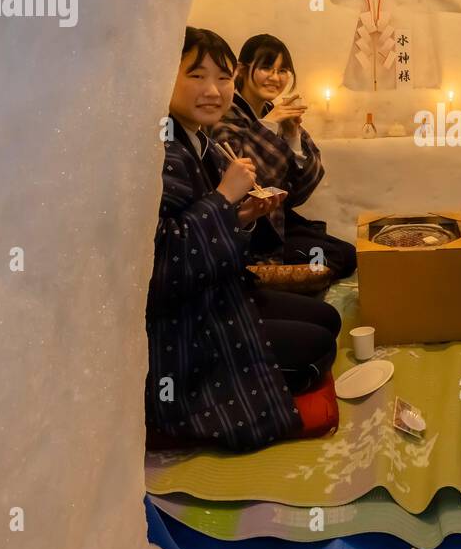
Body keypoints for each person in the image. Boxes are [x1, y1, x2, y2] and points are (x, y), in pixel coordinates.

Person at [144, 27, 341, 451]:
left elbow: (302, 187)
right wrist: (224, 197)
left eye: (222, 78)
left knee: (329, 314)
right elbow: (159, 261)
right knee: (319, 343)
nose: (213, 90)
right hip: (187, 324)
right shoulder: (165, 149)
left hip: (225, 284)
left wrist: (244, 217)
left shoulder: (199, 137)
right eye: (196, 76)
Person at [211, 33, 357, 281]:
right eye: (266, 67)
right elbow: (246, 181)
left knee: (347, 254)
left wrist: (292, 135)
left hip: (278, 219)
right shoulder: (226, 115)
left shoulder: (275, 112)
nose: (275, 77)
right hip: (251, 228)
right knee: (325, 260)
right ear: (242, 70)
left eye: (282, 70)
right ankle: (261, 283)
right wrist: (268, 126)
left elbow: (303, 188)